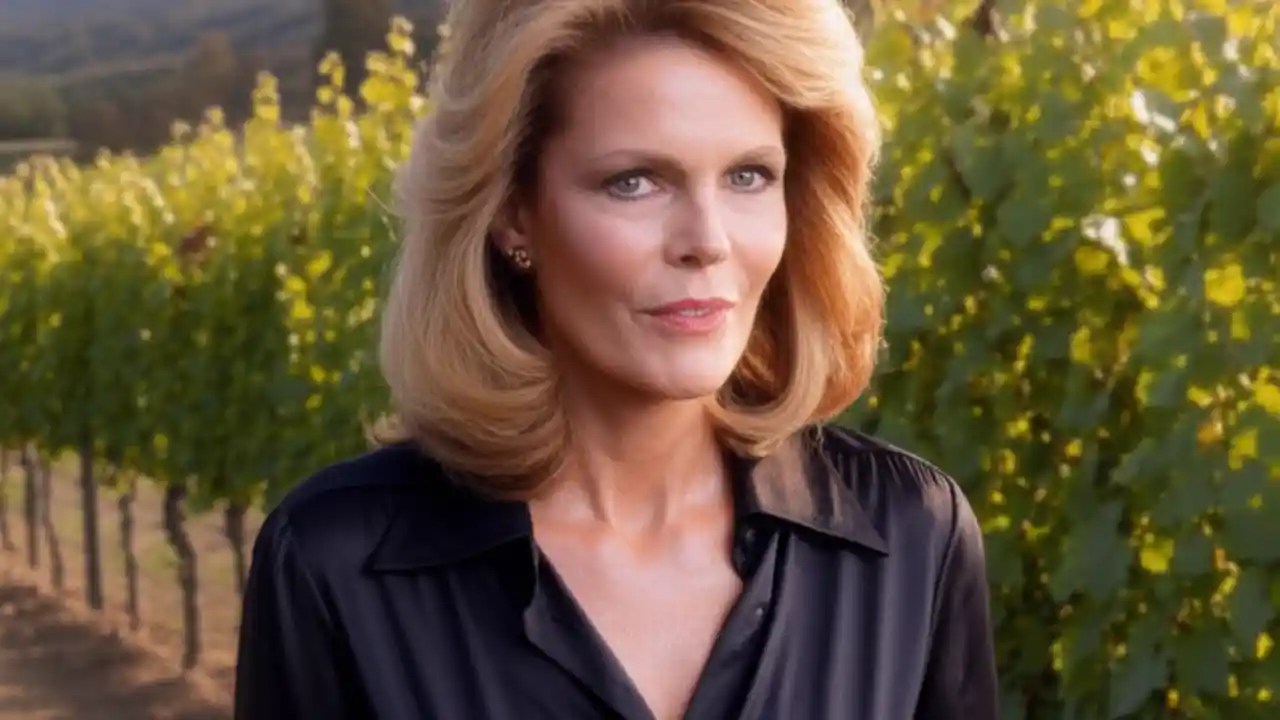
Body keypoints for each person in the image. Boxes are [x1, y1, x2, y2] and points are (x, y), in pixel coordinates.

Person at [233, 0, 1000, 718]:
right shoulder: (336, 564)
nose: (707, 239)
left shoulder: (913, 538)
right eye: (635, 182)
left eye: (748, 176)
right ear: (510, 211)